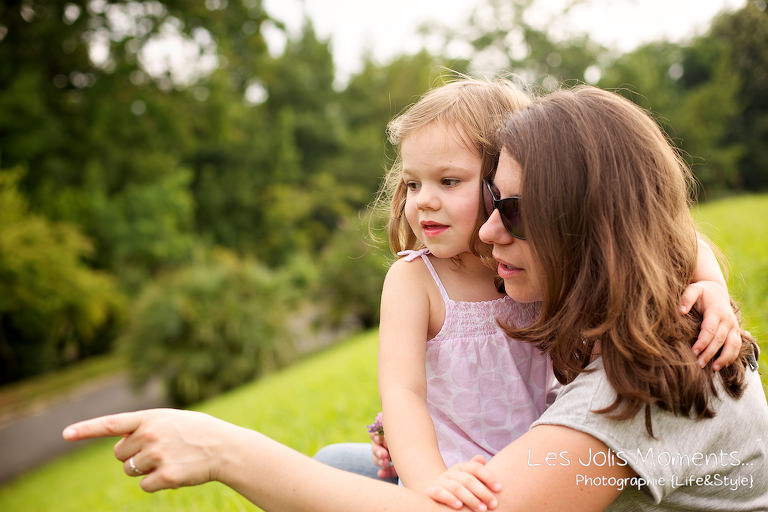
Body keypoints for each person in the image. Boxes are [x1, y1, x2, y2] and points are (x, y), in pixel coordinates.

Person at [63, 85, 766, 512]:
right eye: (488, 205)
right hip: (485, 465)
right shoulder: (625, 303)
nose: (488, 232)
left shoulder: (646, 371)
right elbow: (649, 229)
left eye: (509, 209)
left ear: (583, 223)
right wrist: (705, 276)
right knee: (342, 464)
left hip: (503, 479)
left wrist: (223, 447)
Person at [315, 77, 742, 512]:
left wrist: (710, 288)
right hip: (458, 471)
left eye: (448, 181)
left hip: (545, 465)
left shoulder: (535, 261)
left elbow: (672, 238)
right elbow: (403, 391)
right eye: (412, 184)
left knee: (331, 470)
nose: (423, 200)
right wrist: (429, 481)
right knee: (329, 463)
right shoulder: (415, 280)